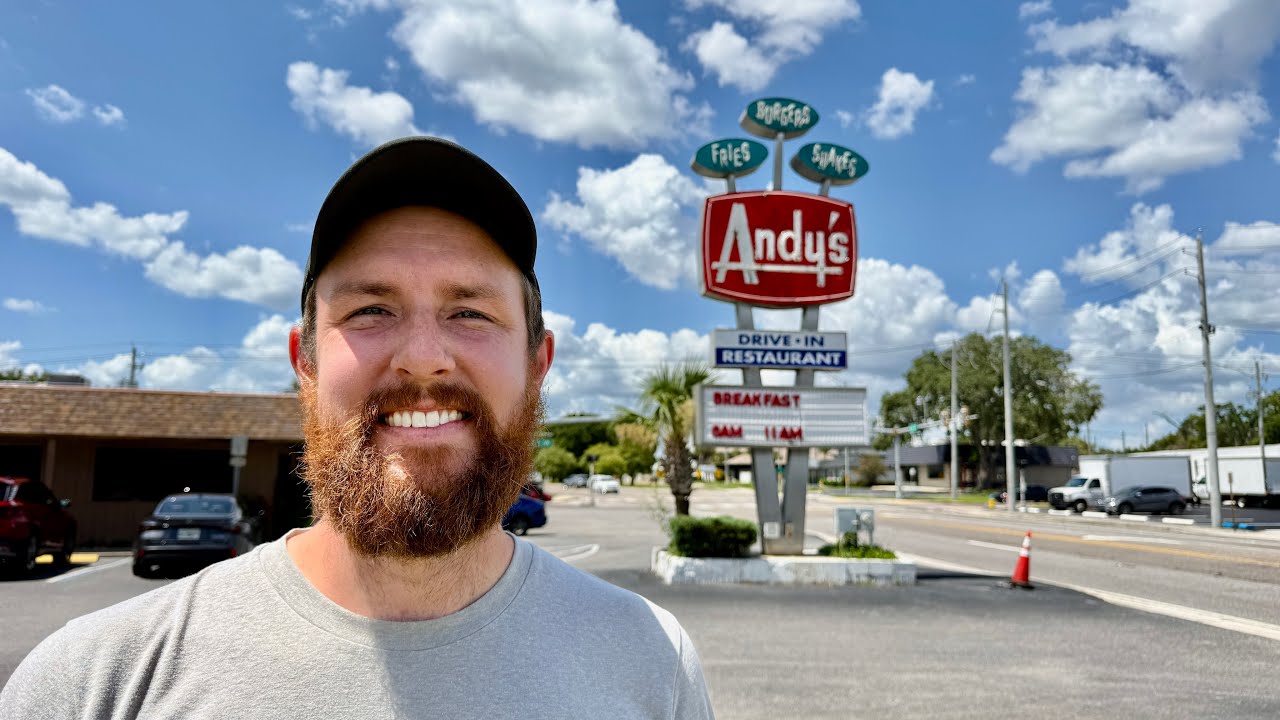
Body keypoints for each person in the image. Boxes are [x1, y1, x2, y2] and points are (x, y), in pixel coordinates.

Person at [0, 137, 715, 719]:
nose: (424, 359)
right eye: (371, 310)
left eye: (470, 312)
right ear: (303, 362)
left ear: (537, 364)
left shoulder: (651, 662)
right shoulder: (93, 684)